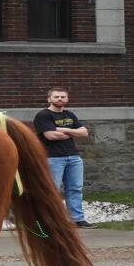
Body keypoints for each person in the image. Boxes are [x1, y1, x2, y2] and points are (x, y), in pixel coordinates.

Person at [33, 87, 93, 228]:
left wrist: (62, 129)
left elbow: (84, 132)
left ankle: (77, 219)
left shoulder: (70, 114)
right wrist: (73, 132)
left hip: (73, 157)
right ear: (49, 99)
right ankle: (51, 220)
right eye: (56, 97)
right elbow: (51, 136)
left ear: (67, 99)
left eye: (62, 97)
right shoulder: (43, 115)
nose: (60, 99)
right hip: (52, 158)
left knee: (75, 188)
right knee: (52, 189)